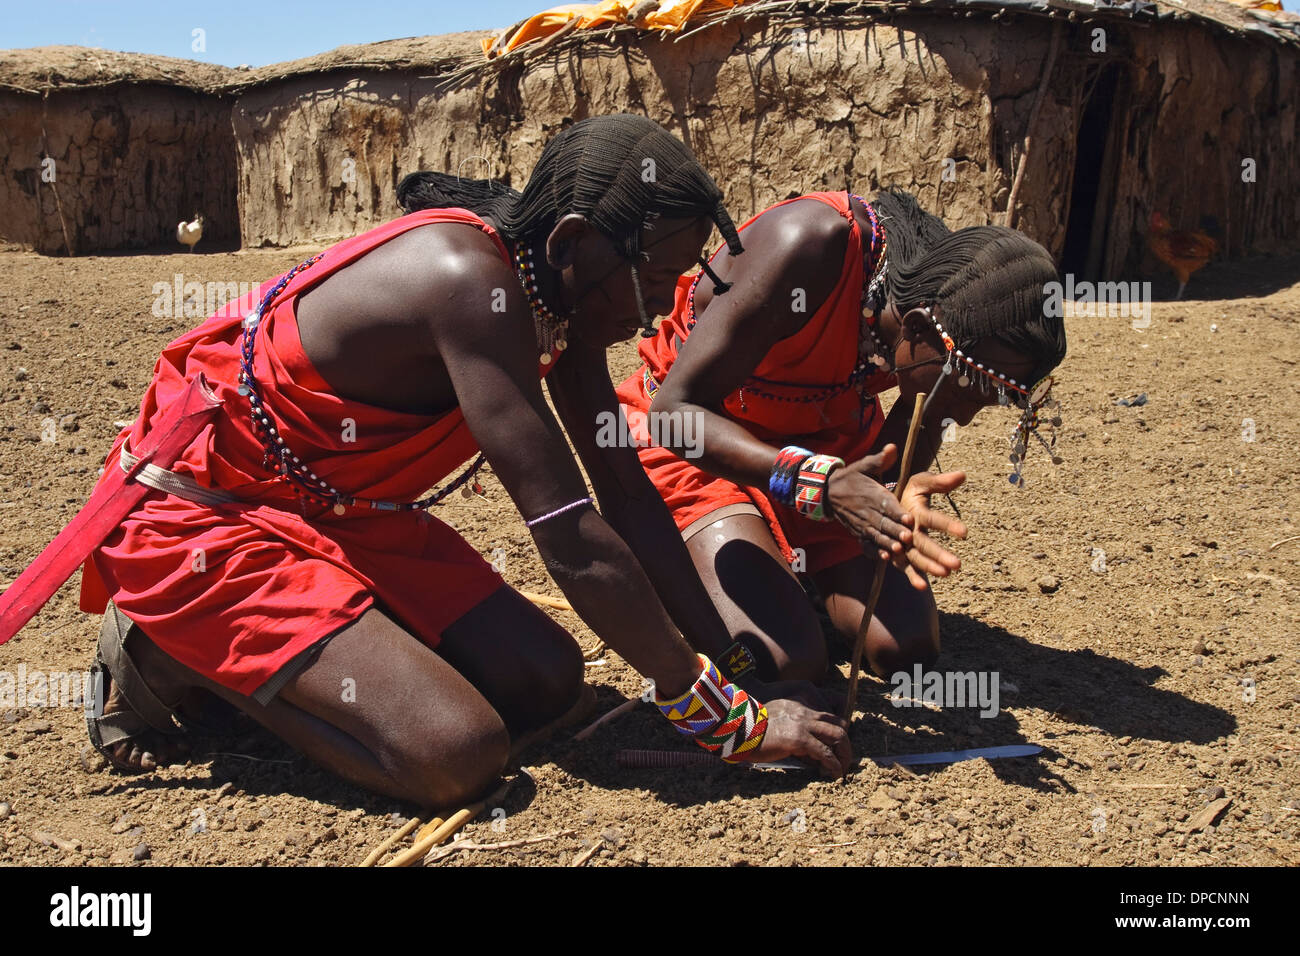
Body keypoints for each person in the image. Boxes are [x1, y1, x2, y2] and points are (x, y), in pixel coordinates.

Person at [61, 115, 852, 808]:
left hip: (334, 509)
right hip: (209, 518)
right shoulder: (469, 283)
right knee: (456, 755)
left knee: (547, 680)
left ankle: (310, 648)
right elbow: (571, 538)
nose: (655, 307)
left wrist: (730, 663)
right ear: (572, 240)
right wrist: (729, 723)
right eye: (649, 278)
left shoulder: (563, 303)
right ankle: (174, 654)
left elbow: (624, 490)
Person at [615, 188, 1067, 683]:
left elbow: (918, 418)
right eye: (968, 392)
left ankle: (788, 566)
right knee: (787, 665)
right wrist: (819, 485)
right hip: (698, 441)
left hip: (828, 451)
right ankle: (689, 553)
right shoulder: (805, 249)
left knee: (906, 653)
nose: (962, 419)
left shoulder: (946, 303)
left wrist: (897, 492)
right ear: (916, 329)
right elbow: (673, 415)